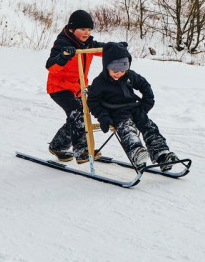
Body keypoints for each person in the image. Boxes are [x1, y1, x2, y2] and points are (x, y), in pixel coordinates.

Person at [86, 42, 178, 171]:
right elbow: (93, 102)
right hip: (115, 112)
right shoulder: (100, 82)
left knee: (149, 127)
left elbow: (144, 85)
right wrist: (103, 117)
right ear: (106, 66)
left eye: (123, 70)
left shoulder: (129, 75)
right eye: (115, 71)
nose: (119, 74)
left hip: (134, 108)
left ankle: (161, 154)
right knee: (127, 129)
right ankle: (136, 152)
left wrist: (147, 103)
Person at [44, 10, 107, 163]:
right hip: (59, 88)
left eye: (89, 30)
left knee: (79, 115)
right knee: (77, 113)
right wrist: (63, 56)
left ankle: (58, 146)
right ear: (72, 29)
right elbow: (50, 66)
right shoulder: (62, 43)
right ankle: (82, 151)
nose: (86, 33)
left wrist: (115, 47)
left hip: (77, 88)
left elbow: (102, 48)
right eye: (83, 29)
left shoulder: (88, 43)